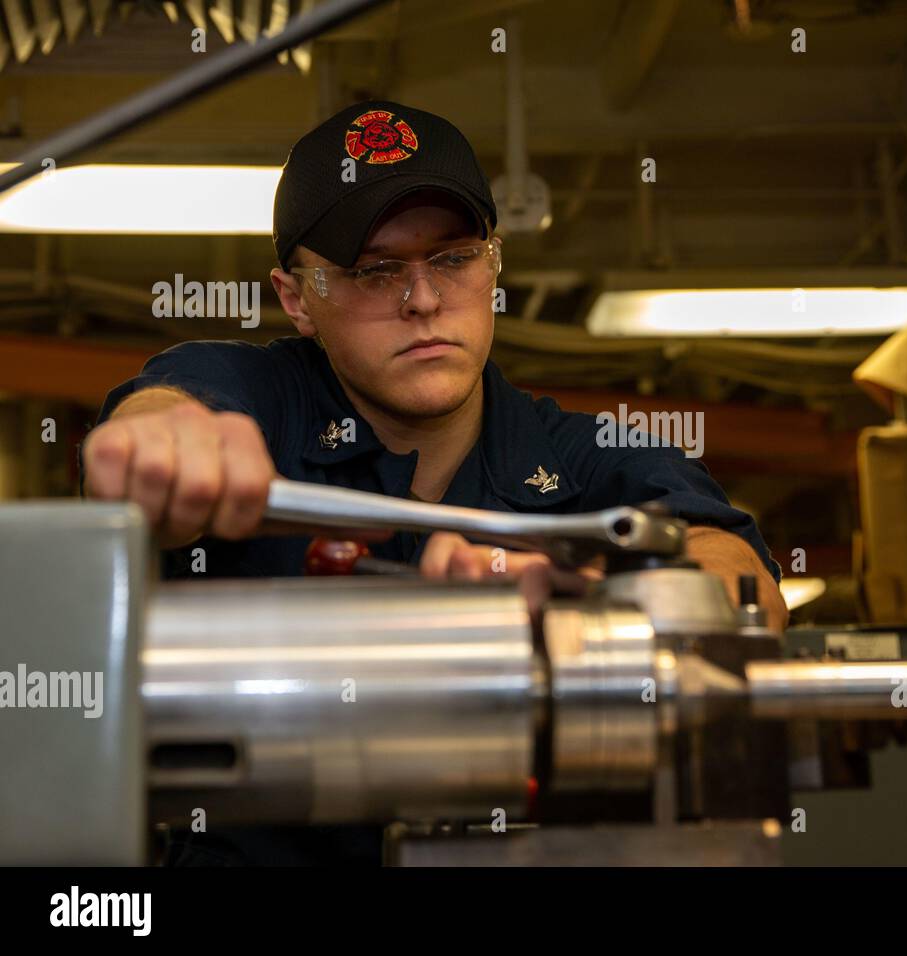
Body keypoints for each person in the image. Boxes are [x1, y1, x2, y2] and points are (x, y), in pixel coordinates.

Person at [79, 102, 785, 864]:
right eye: (373, 271)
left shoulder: (590, 456)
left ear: (494, 264)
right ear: (296, 299)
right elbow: (162, 416)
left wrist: (599, 607)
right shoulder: (255, 399)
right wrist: (159, 446)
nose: (421, 300)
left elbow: (739, 583)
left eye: (452, 259)